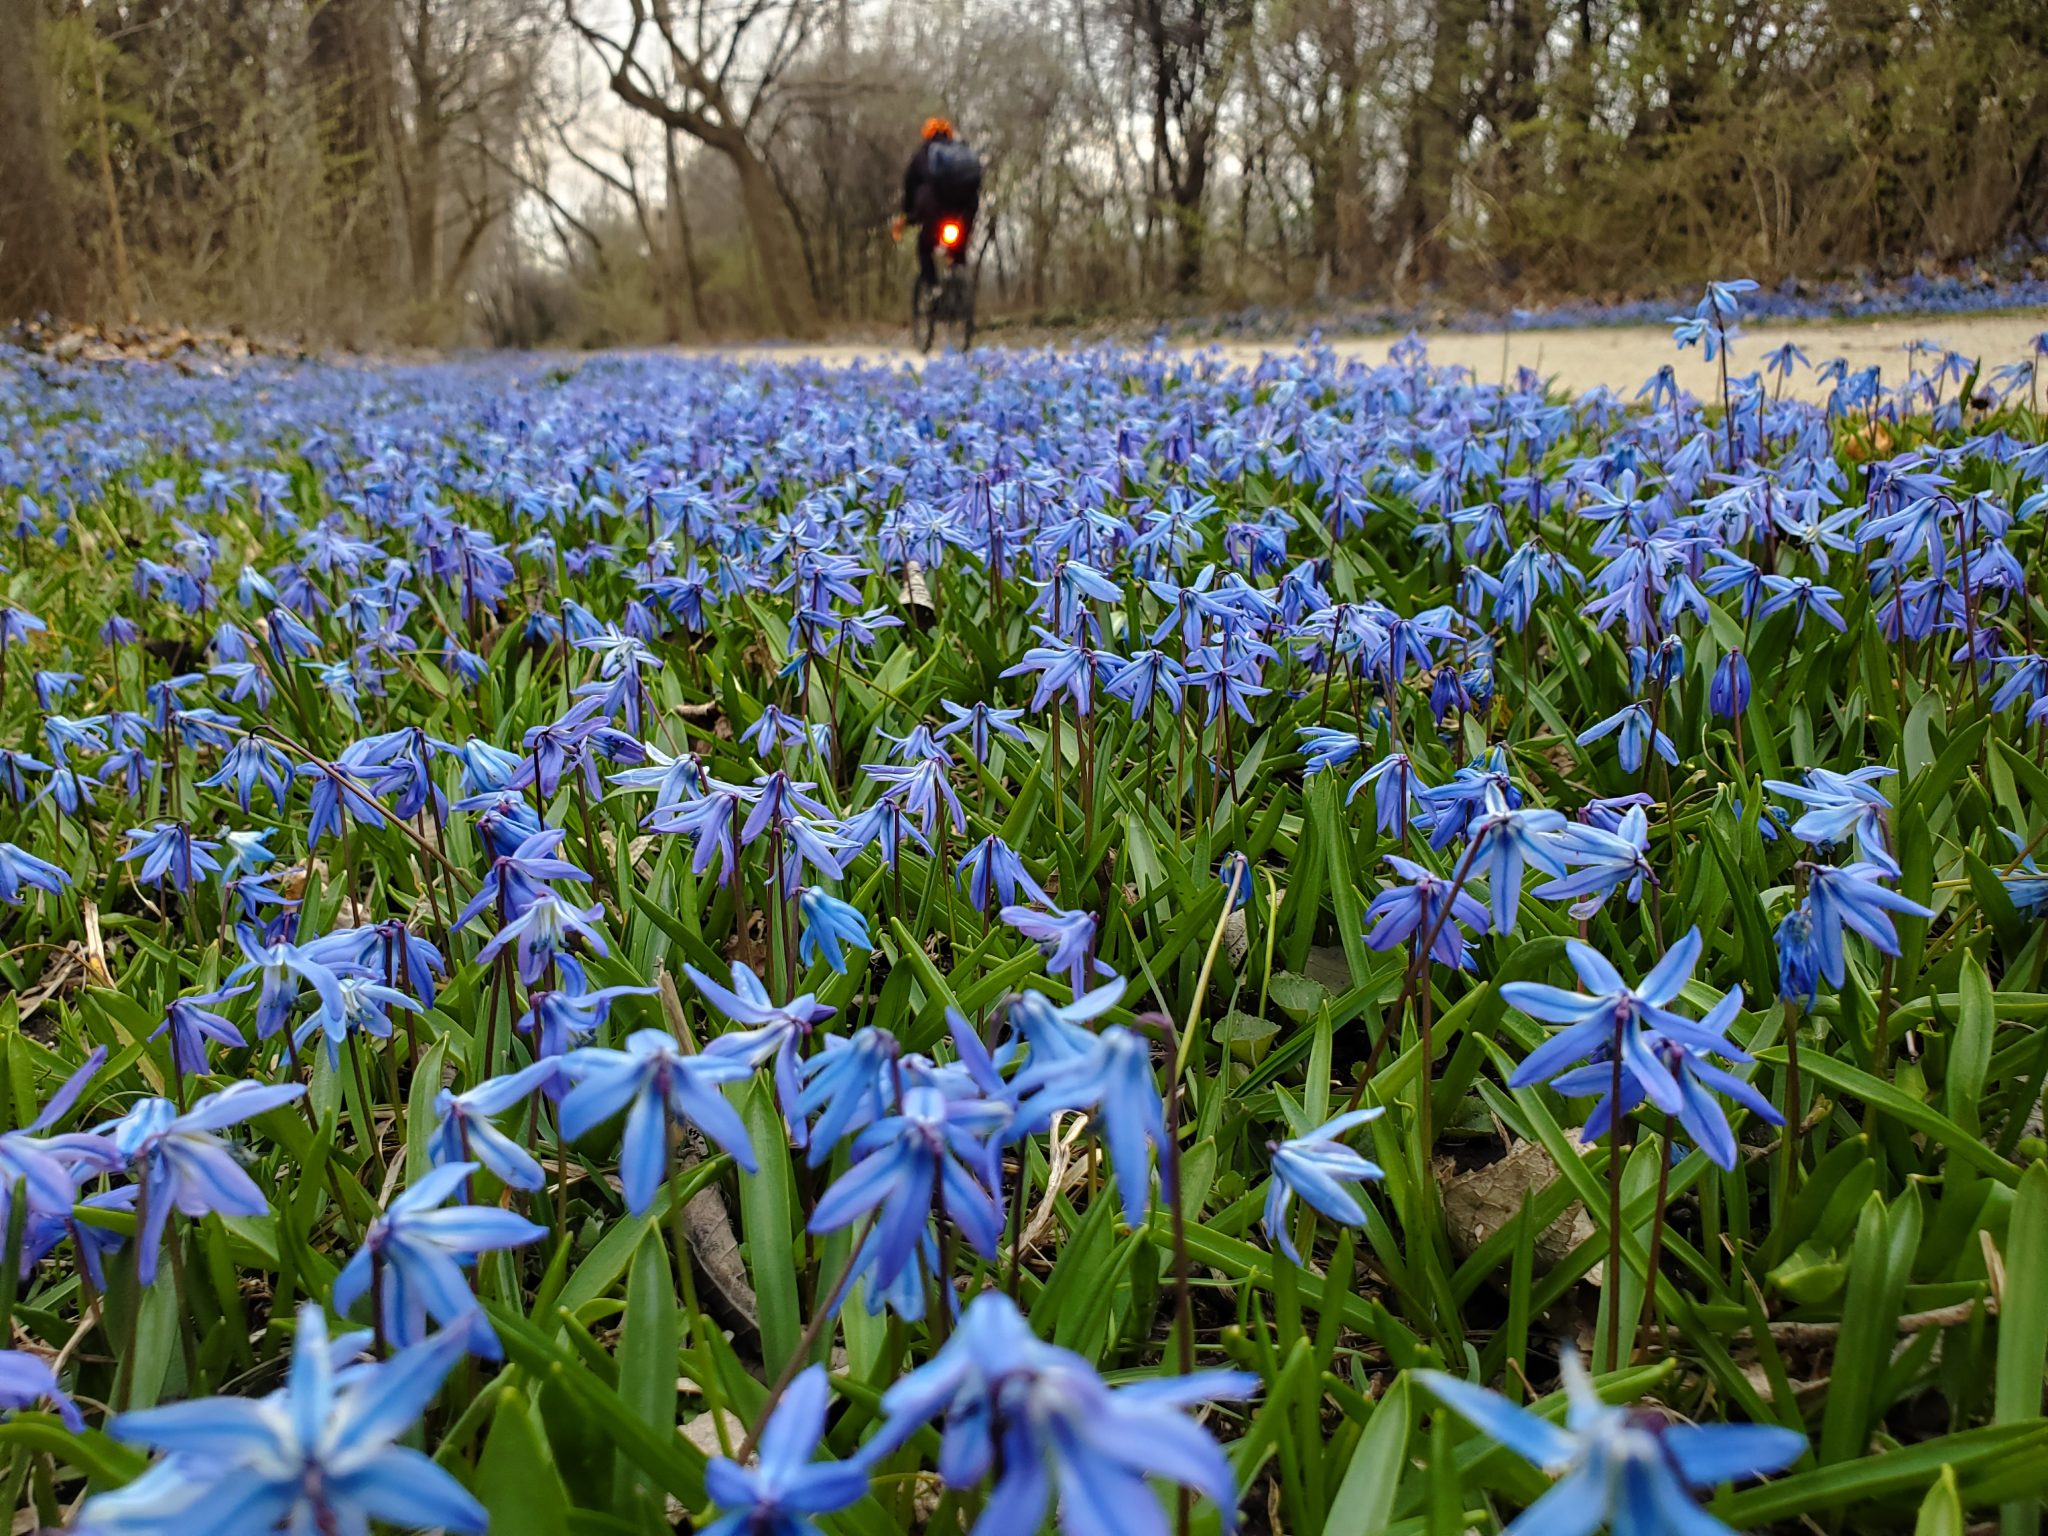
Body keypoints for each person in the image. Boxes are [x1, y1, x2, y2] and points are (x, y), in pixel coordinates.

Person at [894, 117, 982, 289]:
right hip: (964, 211)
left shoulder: (923, 153)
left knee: (924, 246)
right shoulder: (962, 152)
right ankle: (959, 281)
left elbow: (909, 185)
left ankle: (933, 287)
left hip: (933, 213)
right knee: (959, 247)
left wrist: (908, 215)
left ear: (927, 134)